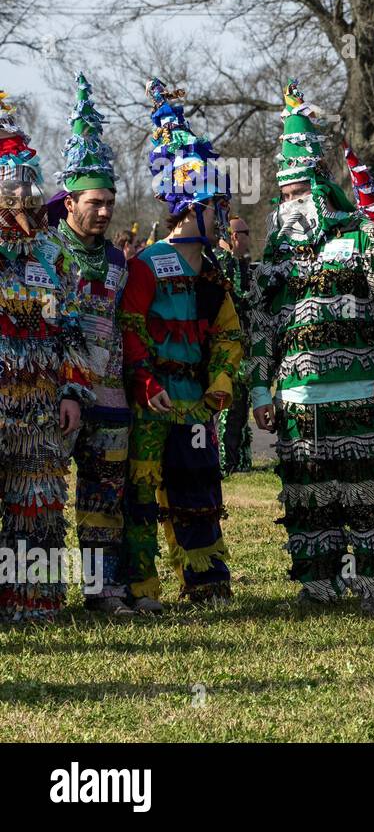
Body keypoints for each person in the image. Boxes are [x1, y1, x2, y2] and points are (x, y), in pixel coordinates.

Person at [249, 80, 374, 614]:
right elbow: (260, 321)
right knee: (308, 494)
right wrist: (257, 388)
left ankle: (373, 587)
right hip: (298, 401)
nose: (291, 203)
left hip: (364, 392)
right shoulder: (276, 250)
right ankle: (317, 586)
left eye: (300, 193)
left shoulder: (364, 235)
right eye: (285, 194)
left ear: (319, 186)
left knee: (366, 492)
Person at [120, 78, 243, 609]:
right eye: (217, 206)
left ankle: (206, 582)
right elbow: (130, 327)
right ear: (193, 208)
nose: (225, 214)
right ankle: (141, 587)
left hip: (196, 401)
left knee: (200, 490)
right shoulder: (148, 264)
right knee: (143, 494)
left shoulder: (214, 270)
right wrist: (147, 383)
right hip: (154, 404)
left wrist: (219, 381)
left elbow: (229, 332)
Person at [0, 91, 92, 622]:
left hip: (39, 409)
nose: (26, 199)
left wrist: (74, 393)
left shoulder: (54, 256)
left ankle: (30, 602)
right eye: (13, 188)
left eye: (30, 186)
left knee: (35, 506)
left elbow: (73, 330)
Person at [47, 72, 135, 615]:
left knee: (105, 501)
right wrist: (66, 390)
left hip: (114, 401)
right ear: (70, 201)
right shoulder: (44, 255)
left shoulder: (120, 260)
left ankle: (103, 590)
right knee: (45, 498)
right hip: (58, 398)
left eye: (109, 203)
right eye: (94, 203)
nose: (104, 212)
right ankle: (43, 591)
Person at [215, 214, 254, 475]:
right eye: (246, 232)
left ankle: (239, 459)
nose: (249, 237)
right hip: (228, 348)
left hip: (244, 348)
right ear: (234, 236)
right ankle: (226, 460)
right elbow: (237, 299)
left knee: (241, 409)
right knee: (230, 409)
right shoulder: (221, 263)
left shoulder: (241, 265)